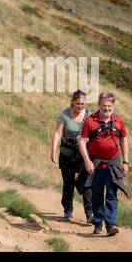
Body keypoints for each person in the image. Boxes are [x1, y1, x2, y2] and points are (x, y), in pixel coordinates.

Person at [78, 92, 130, 236]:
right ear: (98, 106)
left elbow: (124, 140)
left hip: (114, 163)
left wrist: (125, 162)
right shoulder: (90, 121)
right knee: (96, 195)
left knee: (112, 194)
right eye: (103, 106)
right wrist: (87, 160)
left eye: (109, 106)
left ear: (112, 106)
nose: (106, 109)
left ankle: (111, 224)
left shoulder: (118, 121)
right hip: (95, 164)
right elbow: (82, 141)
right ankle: (98, 223)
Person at [50, 90, 94, 224]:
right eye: (77, 103)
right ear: (72, 102)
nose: (80, 106)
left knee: (86, 183)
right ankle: (68, 211)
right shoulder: (65, 115)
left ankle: (89, 213)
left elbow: (94, 134)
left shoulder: (89, 115)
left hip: (83, 155)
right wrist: (53, 150)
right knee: (68, 183)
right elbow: (58, 133)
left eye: (82, 104)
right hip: (67, 154)